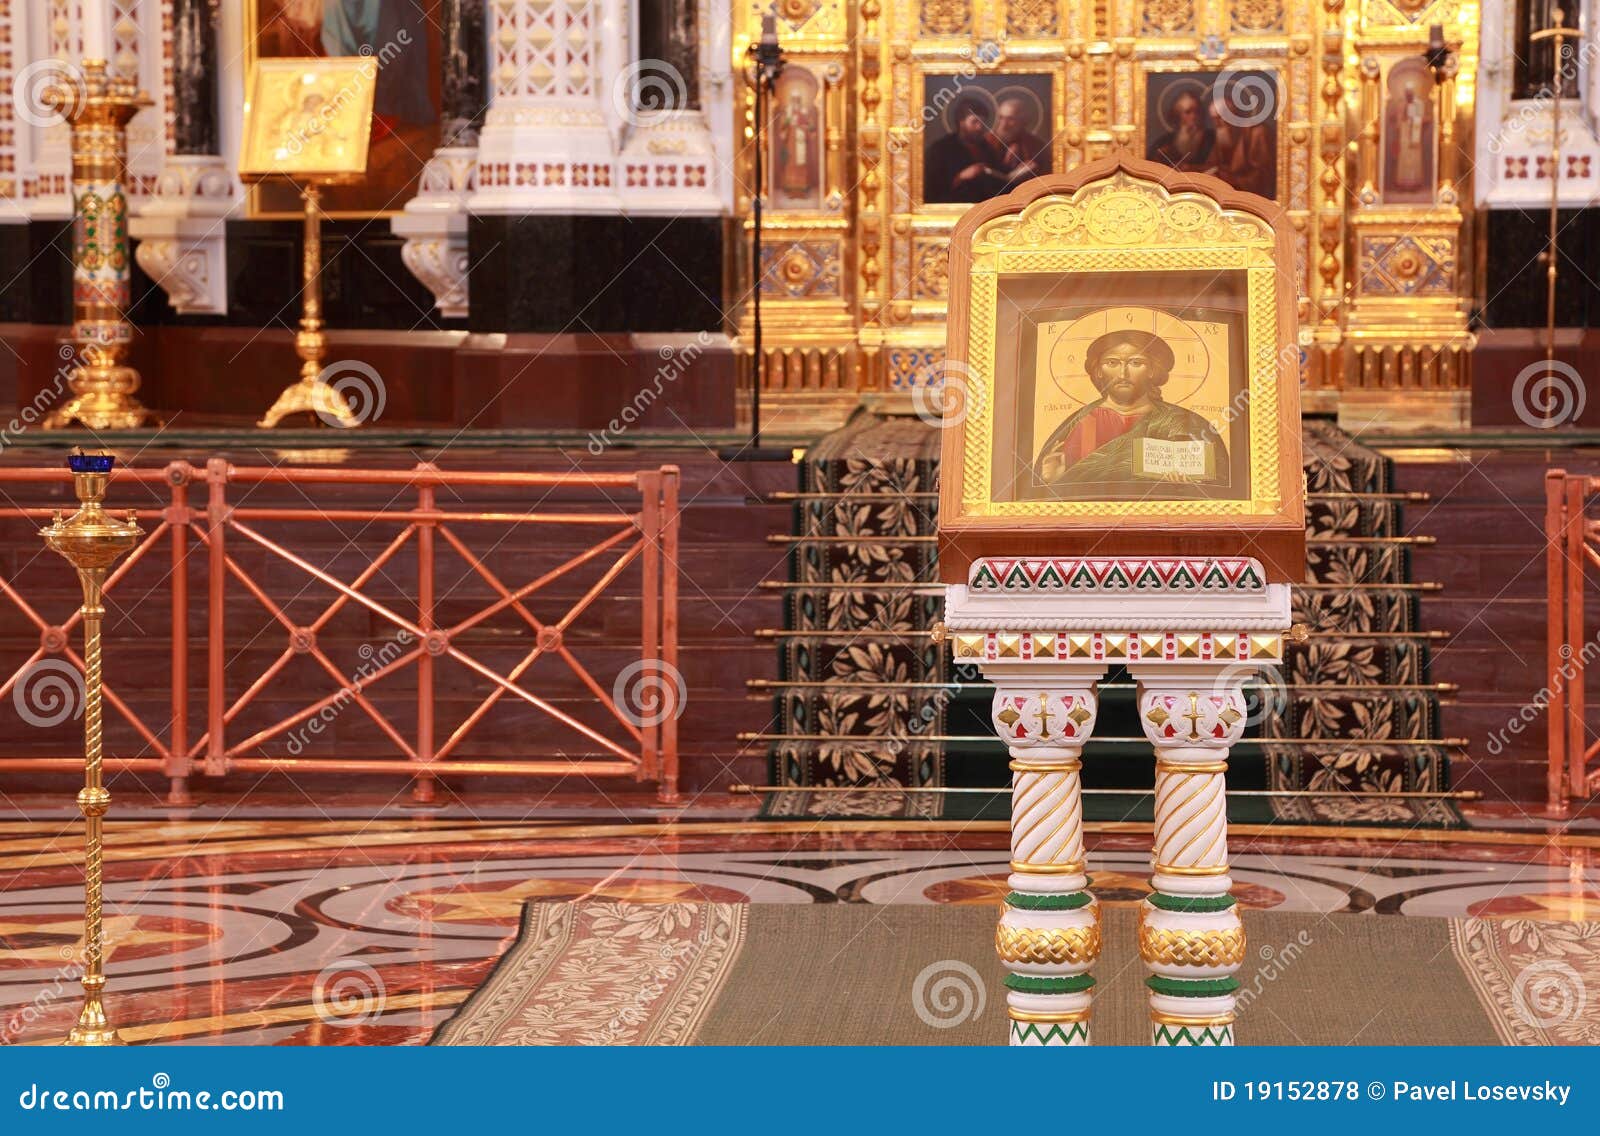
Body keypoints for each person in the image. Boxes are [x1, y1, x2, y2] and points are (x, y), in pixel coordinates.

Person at [1034, 329, 1228, 490]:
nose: (1122, 373)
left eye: (1136, 363)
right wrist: (1052, 480)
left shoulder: (1184, 423)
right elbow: (1041, 497)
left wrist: (1186, 486)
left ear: (1153, 370)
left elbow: (1218, 486)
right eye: (1112, 363)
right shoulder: (1082, 423)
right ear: (1099, 370)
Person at [926, 96, 1002, 203]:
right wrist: (960, 177)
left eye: (983, 122)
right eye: (975, 122)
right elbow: (932, 190)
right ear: (961, 122)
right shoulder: (940, 149)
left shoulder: (987, 148)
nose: (980, 127)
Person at [1147, 89, 1215, 172]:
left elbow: (1218, 167)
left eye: (1197, 111)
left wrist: (1193, 168)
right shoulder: (1165, 141)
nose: (1194, 116)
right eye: (1188, 112)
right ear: (1178, 115)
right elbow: (1152, 166)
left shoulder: (1212, 138)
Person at [989, 97, 1051, 187]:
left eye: (1010, 119)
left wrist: (1030, 167)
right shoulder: (988, 141)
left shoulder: (1037, 145)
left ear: (1023, 121)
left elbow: (1046, 176)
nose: (1004, 125)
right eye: (1001, 118)